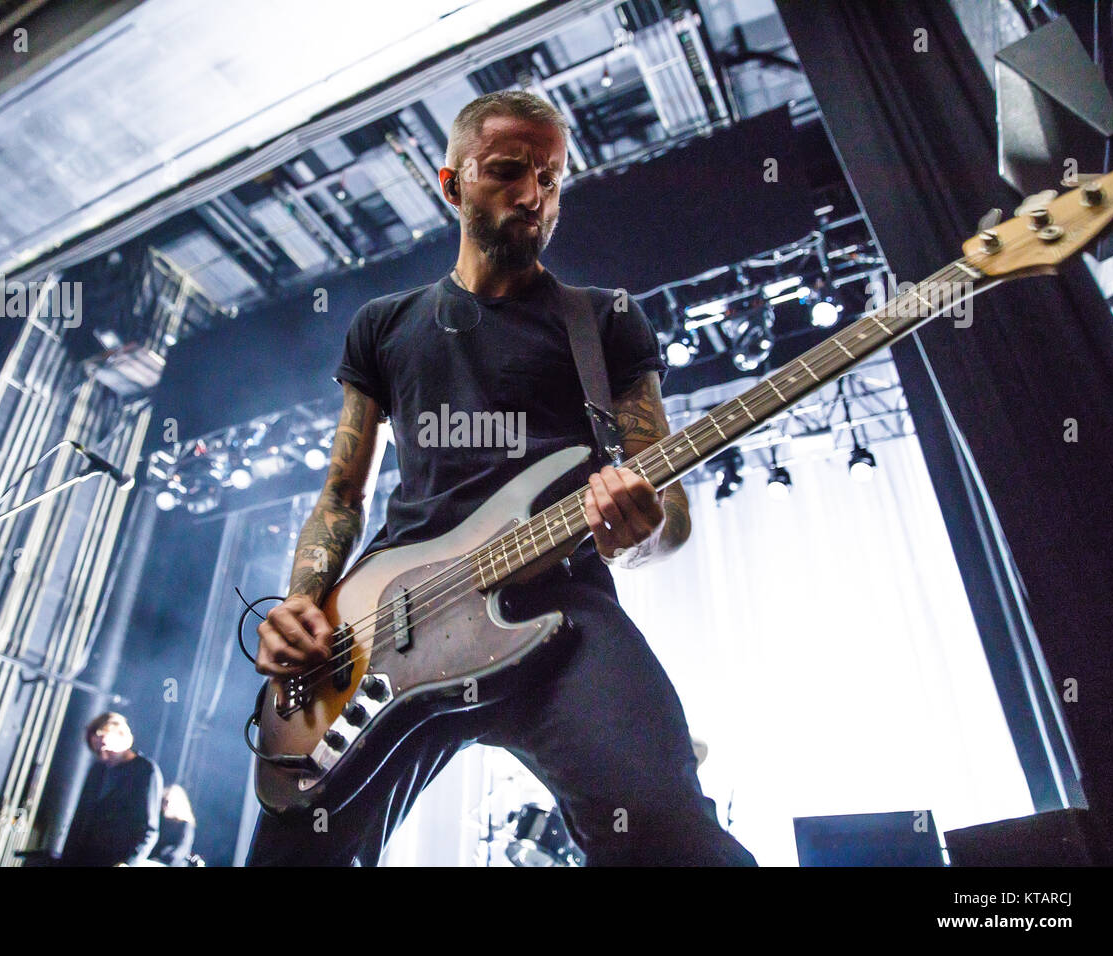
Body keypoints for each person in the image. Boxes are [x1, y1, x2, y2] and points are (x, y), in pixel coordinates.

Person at [246, 90, 756, 867]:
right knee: (294, 853)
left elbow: (670, 509)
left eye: (550, 178)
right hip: (390, 627)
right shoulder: (385, 324)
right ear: (452, 184)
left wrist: (639, 534)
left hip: (563, 612)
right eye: (509, 171)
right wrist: (302, 601)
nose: (534, 195)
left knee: (671, 837)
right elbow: (341, 496)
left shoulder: (605, 318)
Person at [61, 712, 162, 866]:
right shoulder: (98, 770)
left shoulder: (145, 770)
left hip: (116, 859)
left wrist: (128, 862)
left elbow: (149, 829)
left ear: (122, 737)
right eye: (97, 750)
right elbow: (81, 817)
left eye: (105, 747)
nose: (102, 754)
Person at [148, 784, 196, 867]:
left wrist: (161, 860)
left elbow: (181, 850)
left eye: (169, 802)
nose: (167, 805)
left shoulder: (185, 825)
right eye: (164, 801)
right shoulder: (158, 820)